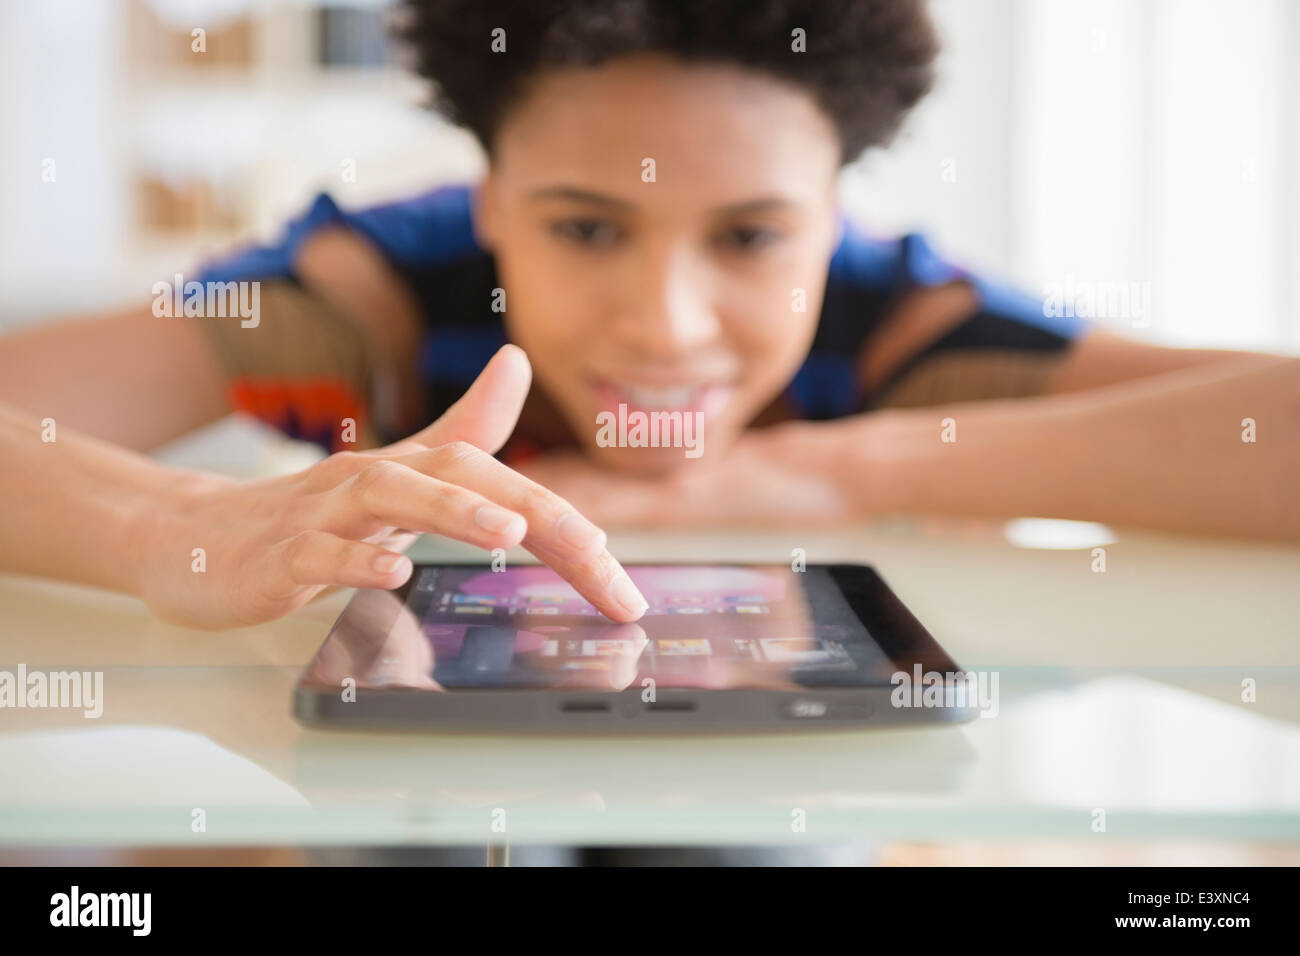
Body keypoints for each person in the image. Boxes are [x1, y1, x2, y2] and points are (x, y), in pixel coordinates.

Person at [1, 0, 1296, 632]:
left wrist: (826, 467)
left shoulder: (904, 325)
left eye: (751, 235)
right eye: (584, 228)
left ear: (837, 212)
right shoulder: (367, 300)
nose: (668, 327)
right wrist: (178, 524)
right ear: (487, 201)